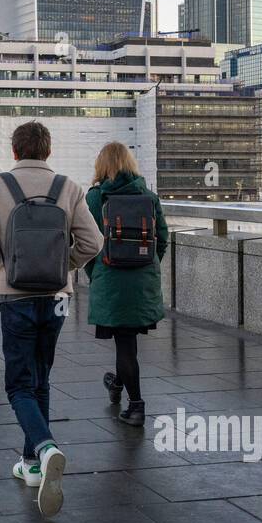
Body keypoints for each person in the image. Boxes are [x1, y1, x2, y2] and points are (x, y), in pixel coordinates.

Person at [0, 121, 101, 517]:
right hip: (58, 297)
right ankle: (30, 465)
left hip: (16, 296)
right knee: (41, 376)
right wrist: (65, 267)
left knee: (19, 385)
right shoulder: (69, 187)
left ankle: (45, 447)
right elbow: (94, 242)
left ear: (14, 151)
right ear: (47, 150)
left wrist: (0, 265)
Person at [84, 142, 169, 426]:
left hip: (111, 279)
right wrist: (146, 266)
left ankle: (136, 407)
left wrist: (95, 273)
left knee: (125, 344)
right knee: (127, 340)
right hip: (142, 279)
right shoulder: (149, 196)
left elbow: (86, 242)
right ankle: (117, 384)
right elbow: (163, 238)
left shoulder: (96, 198)